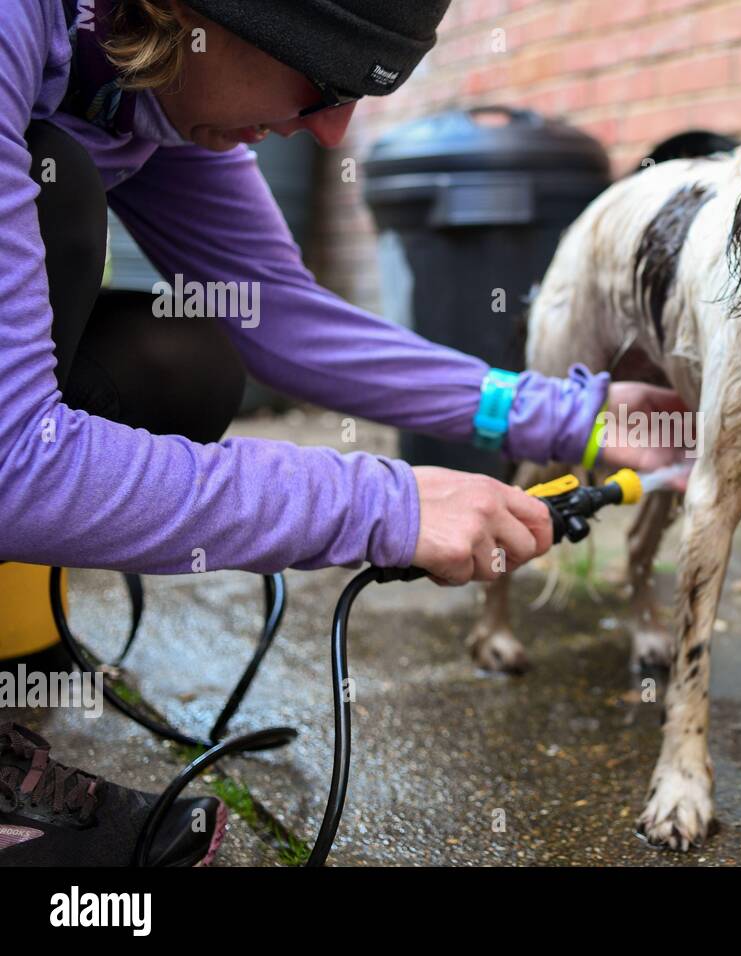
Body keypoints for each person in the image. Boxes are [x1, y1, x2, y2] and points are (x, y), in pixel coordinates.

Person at [0, 0, 686, 865]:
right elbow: (13, 464)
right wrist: (379, 502)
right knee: (55, 183)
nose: (331, 135)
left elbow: (280, 317)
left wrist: (567, 415)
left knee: (180, 360)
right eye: (325, 84)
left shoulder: (164, 86)